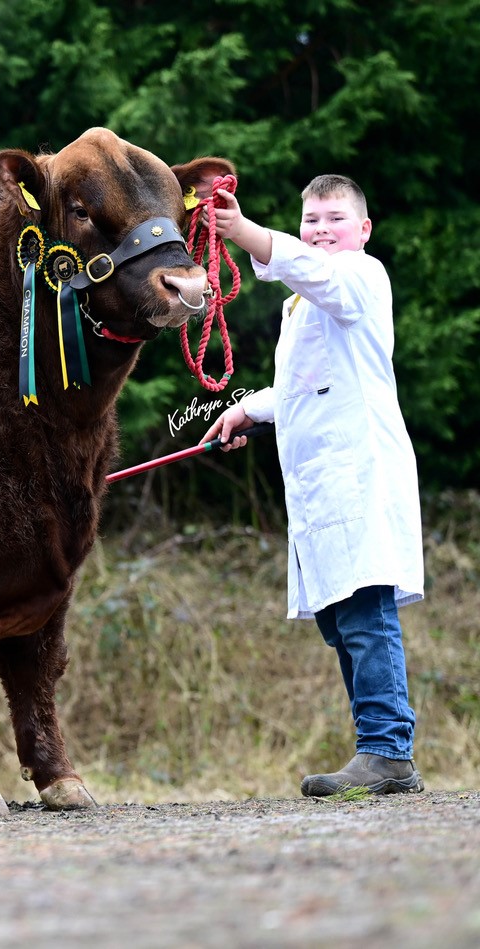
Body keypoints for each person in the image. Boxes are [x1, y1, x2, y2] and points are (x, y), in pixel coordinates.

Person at [200, 174, 425, 797]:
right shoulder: (298, 303)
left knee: (364, 611)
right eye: (311, 220)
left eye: (333, 218)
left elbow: (313, 272)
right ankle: (380, 755)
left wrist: (242, 231)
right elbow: (307, 382)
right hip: (322, 481)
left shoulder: (360, 275)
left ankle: (388, 750)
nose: (321, 230)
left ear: (363, 229)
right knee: (340, 618)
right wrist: (250, 408)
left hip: (359, 472)